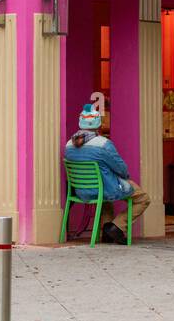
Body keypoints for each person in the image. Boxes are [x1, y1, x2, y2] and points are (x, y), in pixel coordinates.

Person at [63, 104, 151, 244]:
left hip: (80, 191)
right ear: (98, 124)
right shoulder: (103, 144)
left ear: (81, 122)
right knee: (143, 198)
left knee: (105, 199)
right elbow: (121, 168)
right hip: (104, 189)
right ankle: (116, 226)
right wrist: (125, 177)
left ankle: (107, 234)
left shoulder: (68, 145)